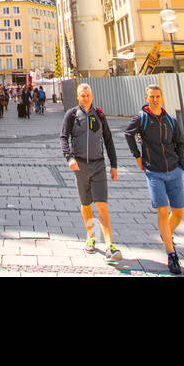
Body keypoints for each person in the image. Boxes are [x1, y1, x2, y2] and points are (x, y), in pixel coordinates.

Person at [125, 85, 184, 274]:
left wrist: (181, 164)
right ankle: (171, 253)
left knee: (178, 212)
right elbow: (128, 134)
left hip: (173, 170)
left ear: (162, 98)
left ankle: (165, 234)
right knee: (162, 210)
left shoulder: (170, 120)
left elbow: (180, 142)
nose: (155, 99)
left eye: (158, 96)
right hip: (154, 171)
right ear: (147, 98)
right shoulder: (142, 119)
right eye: (151, 97)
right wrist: (137, 156)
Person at [59, 83, 120, 261]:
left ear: (92, 96)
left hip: (98, 164)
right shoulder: (71, 115)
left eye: (88, 95)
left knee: (102, 205)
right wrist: (69, 157)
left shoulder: (99, 115)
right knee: (86, 204)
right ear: (78, 97)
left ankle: (109, 245)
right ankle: (91, 236)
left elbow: (108, 140)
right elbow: (63, 137)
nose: (85, 98)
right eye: (82, 95)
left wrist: (113, 164)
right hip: (80, 166)